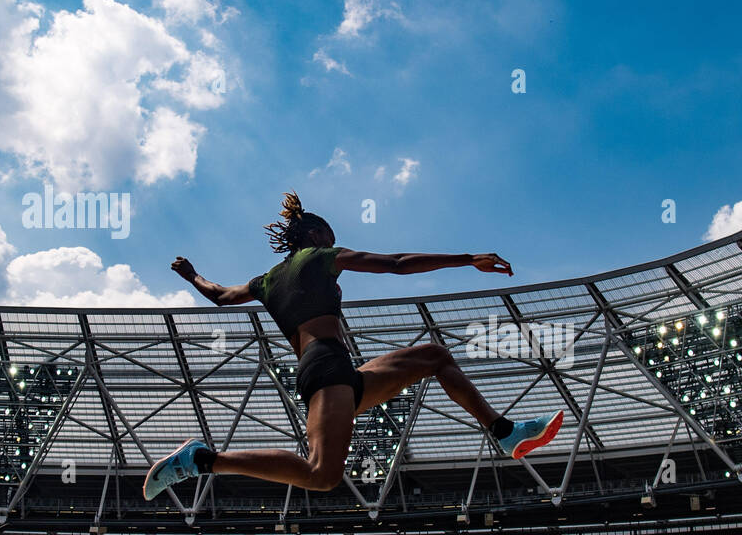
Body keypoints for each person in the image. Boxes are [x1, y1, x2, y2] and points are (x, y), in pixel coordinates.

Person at [143, 192, 563, 499]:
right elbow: (395, 264)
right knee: (322, 474)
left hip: (338, 372)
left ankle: (504, 432)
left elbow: (220, 295)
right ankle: (202, 460)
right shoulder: (319, 256)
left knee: (434, 356)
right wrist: (468, 258)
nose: (335, 239)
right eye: (329, 233)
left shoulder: (265, 280)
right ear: (313, 234)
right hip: (325, 369)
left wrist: (192, 276)